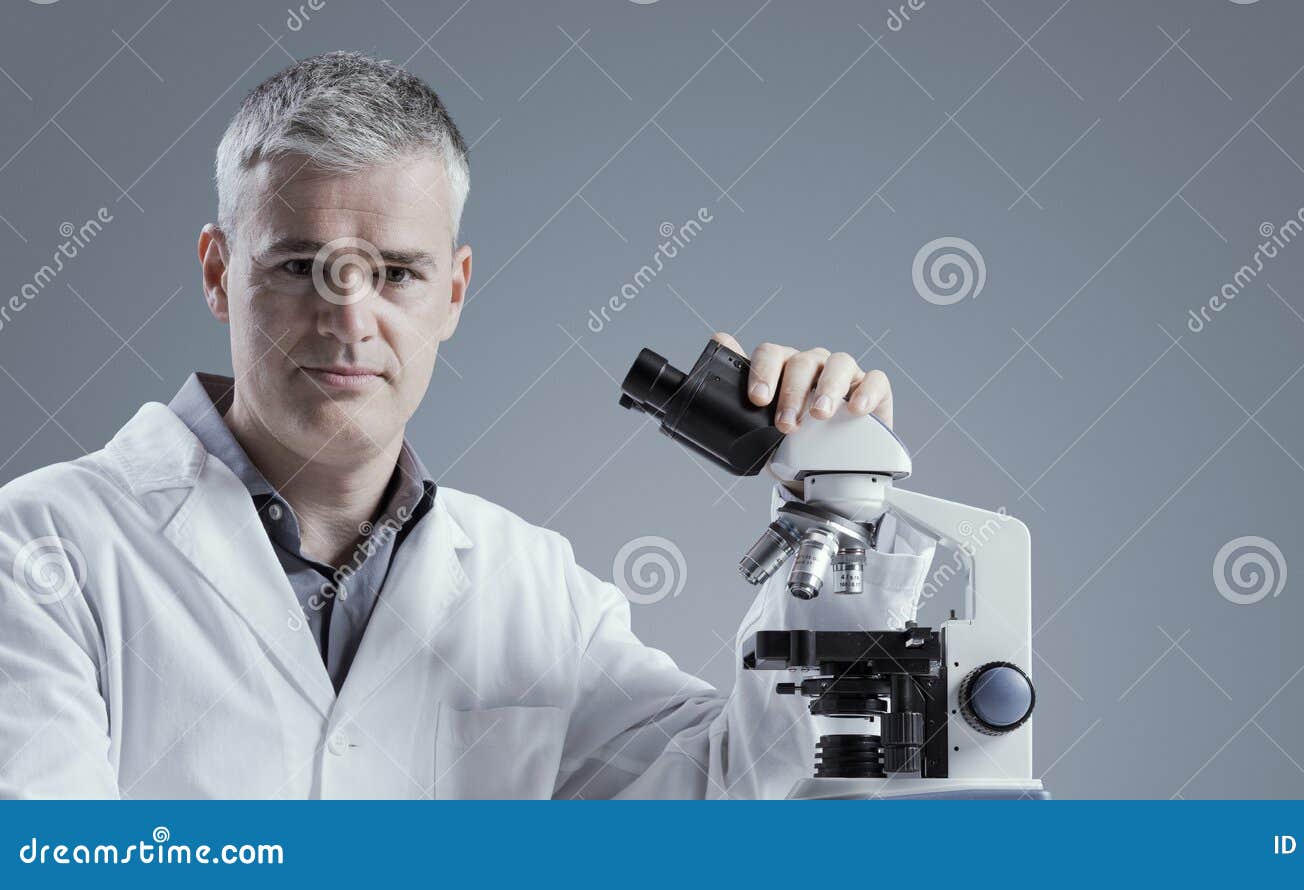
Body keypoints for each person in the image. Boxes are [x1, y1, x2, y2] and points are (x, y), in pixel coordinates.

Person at [0, 52, 932, 798]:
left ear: (454, 291)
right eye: (297, 266)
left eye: (398, 274)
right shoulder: (45, 552)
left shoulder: (536, 592)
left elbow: (741, 805)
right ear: (216, 272)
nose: (350, 318)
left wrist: (839, 514)